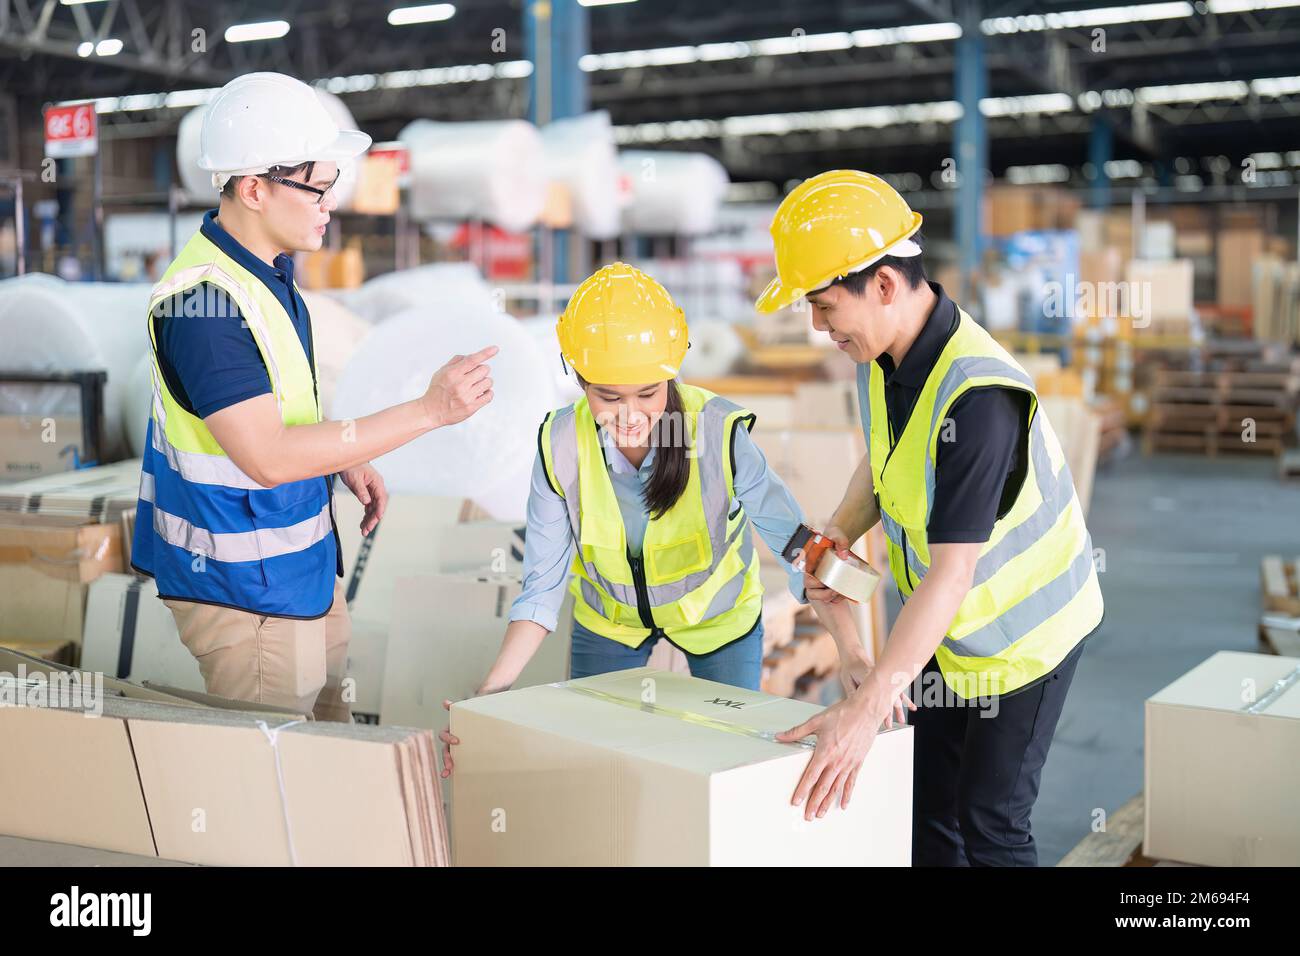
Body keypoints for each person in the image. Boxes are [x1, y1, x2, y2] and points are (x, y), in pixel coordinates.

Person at [439, 262, 904, 776]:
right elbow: (541, 590)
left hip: (717, 621)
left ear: (671, 375)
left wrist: (852, 650)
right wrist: (491, 694)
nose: (631, 416)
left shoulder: (718, 434)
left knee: (729, 760)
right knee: (596, 762)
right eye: (608, 397)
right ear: (578, 379)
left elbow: (799, 549)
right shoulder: (559, 445)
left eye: (648, 394)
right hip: (609, 624)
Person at [761, 170, 1104, 864]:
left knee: (992, 823)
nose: (819, 327)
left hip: (1025, 641)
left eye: (826, 307)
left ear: (884, 285)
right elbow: (887, 464)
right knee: (928, 810)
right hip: (950, 634)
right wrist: (839, 532)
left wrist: (866, 704)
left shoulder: (978, 398)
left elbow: (952, 575)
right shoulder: (884, 353)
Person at [131, 72, 496, 720]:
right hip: (246, 596)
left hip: (297, 575)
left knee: (330, 750)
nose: (329, 206)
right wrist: (429, 411)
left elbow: (281, 407)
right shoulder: (206, 308)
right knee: (276, 786)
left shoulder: (265, 276)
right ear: (253, 187)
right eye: (318, 189)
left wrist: (342, 453)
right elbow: (268, 456)